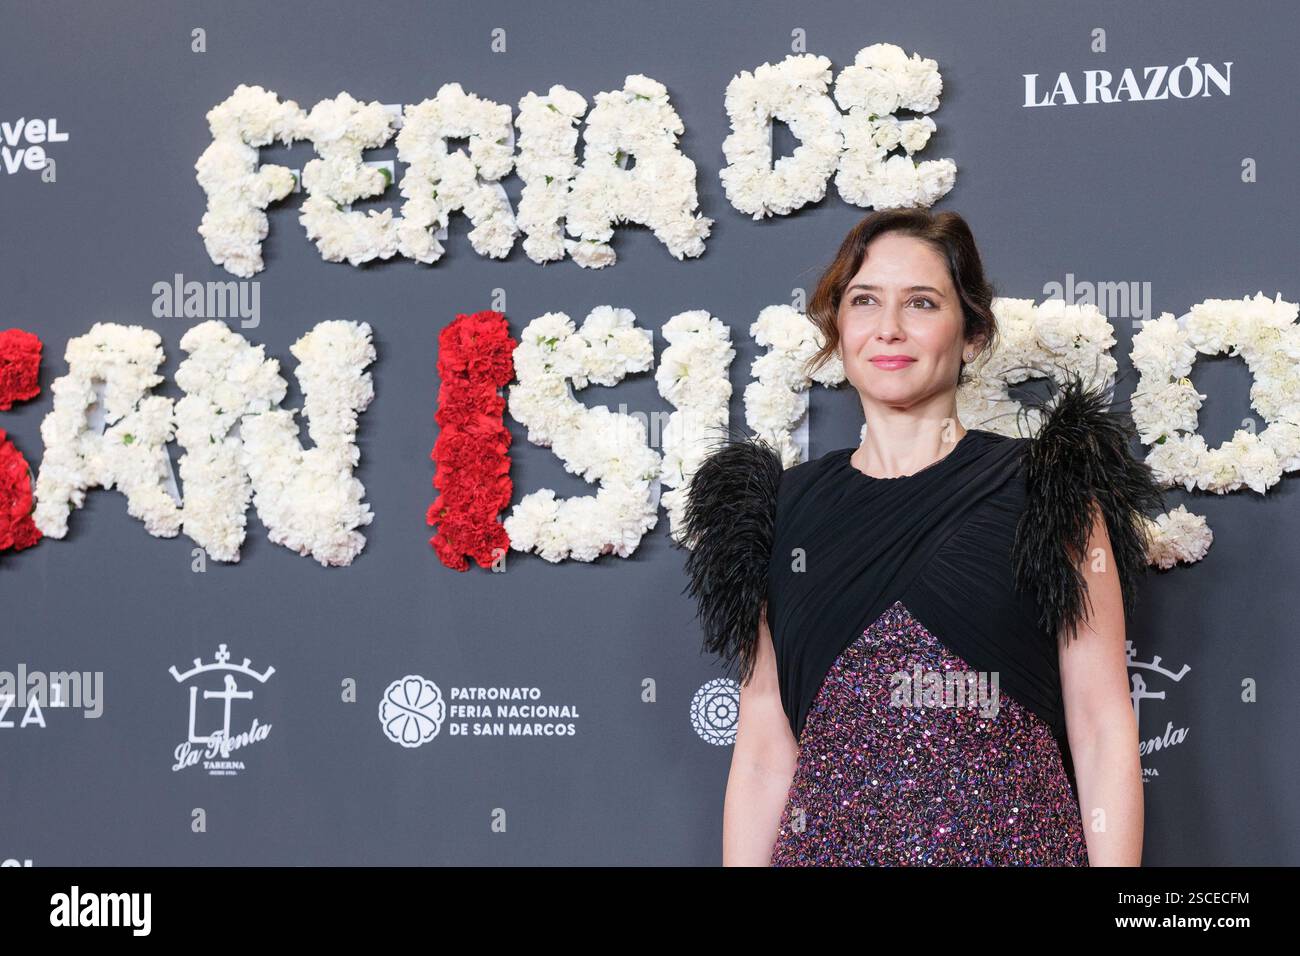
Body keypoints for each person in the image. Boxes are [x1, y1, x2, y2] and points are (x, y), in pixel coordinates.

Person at [677, 209, 1165, 866]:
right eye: (864, 301)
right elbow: (765, 752)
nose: (889, 328)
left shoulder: (1050, 486)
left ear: (971, 335)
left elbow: (1102, 726)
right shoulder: (773, 510)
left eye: (922, 303)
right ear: (838, 331)